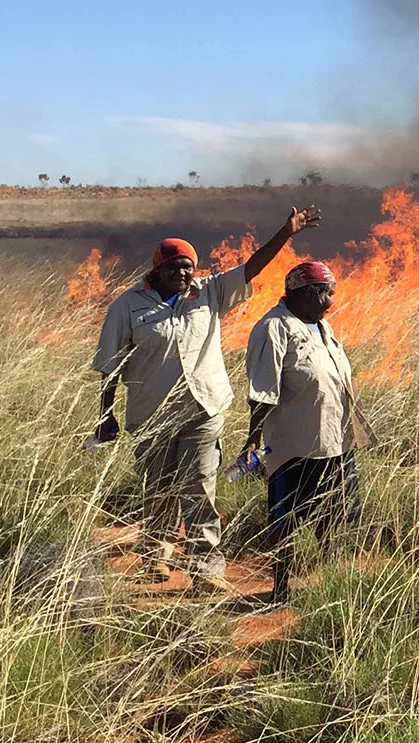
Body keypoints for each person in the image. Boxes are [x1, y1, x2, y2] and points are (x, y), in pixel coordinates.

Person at [93, 206, 322, 590]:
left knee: (200, 486)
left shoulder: (209, 292)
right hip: (152, 413)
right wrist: (106, 413)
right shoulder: (127, 306)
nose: (183, 273)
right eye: (175, 267)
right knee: (160, 486)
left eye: (189, 266)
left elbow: (251, 269)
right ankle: (156, 553)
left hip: (203, 409)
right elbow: (110, 364)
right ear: (157, 270)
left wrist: (285, 234)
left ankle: (204, 567)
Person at [242, 259, 362, 603]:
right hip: (294, 445)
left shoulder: (322, 326)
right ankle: (279, 590)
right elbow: (263, 390)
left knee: (334, 516)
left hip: (334, 441)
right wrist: (253, 440)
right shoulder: (274, 328)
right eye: (327, 293)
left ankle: (330, 587)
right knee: (285, 521)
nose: (332, 301)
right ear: (306, 293)